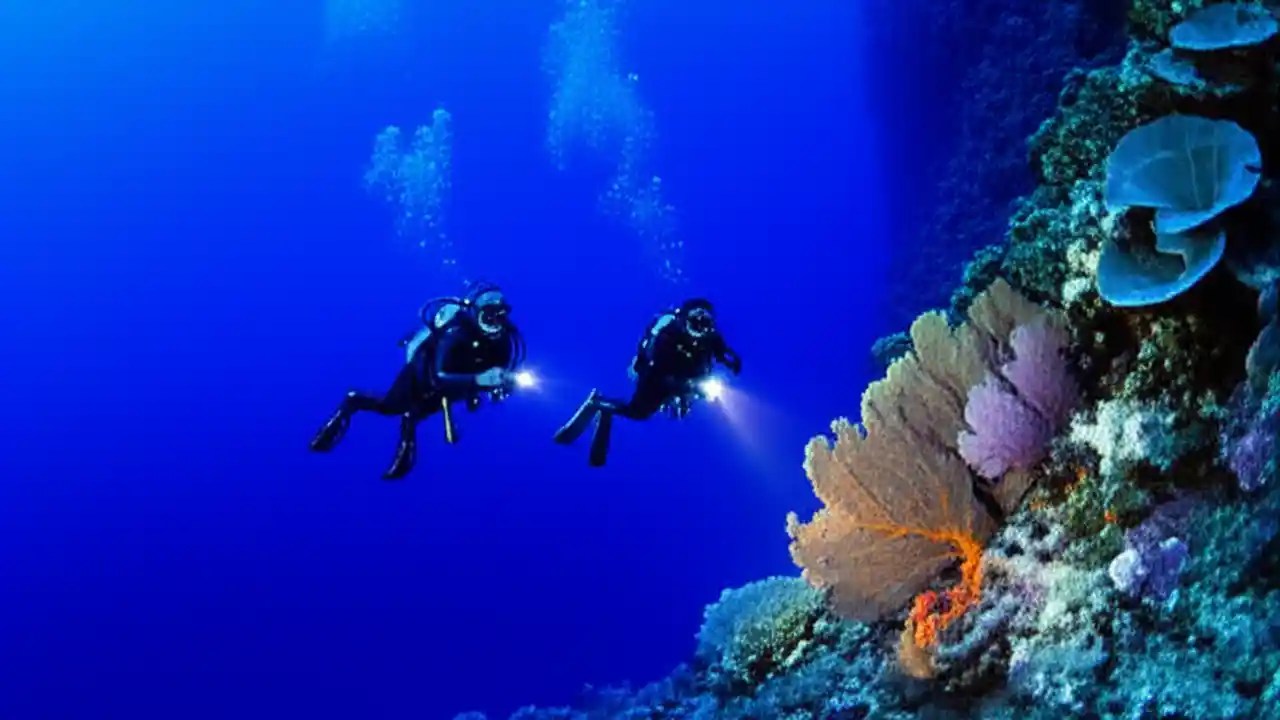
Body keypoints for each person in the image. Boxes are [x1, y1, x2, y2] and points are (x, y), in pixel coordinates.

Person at [309, 282, 527, 480]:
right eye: (488, 316)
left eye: (499, 316)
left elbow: (503, 372)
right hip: (421, 378)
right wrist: (480, 380)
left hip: (454, 389)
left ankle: (405, 452)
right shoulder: (456, 332)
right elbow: (440, 375)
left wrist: (502, 387)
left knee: (415, 415)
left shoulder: (506, 341)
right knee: (390, 407)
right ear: (476, 313)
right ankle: (352, 402)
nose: (494, 323)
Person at [553, 298, 741, 466]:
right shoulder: (668, 334)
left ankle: (606, 409)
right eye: (696, 321)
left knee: (663, 410)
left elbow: (723, 353)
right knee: (638, 412)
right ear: (686, 319)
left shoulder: (712, 338)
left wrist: (731, 363)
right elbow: (655, 367)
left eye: (706, 323)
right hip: (655, 377)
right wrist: (685, 387)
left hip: (683, 381)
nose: (700, 328)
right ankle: (597, 403)